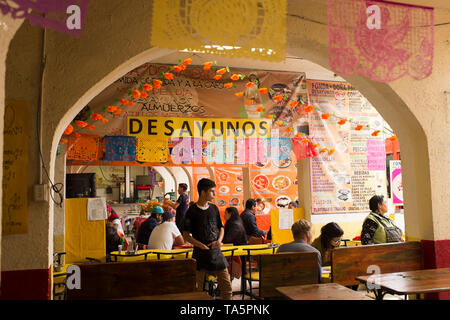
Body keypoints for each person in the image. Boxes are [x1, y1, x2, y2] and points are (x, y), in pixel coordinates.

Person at [182, 178, 232, 300]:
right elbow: (186, 235)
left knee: (227, 287)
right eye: (212, 191)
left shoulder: (214, 208)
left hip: (216, 253)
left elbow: (221, 227)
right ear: (203, 192)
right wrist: (199, 245)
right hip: (200, 254)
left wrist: (219, 241)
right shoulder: (191, 211)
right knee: (199, 290)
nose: (214, 194)